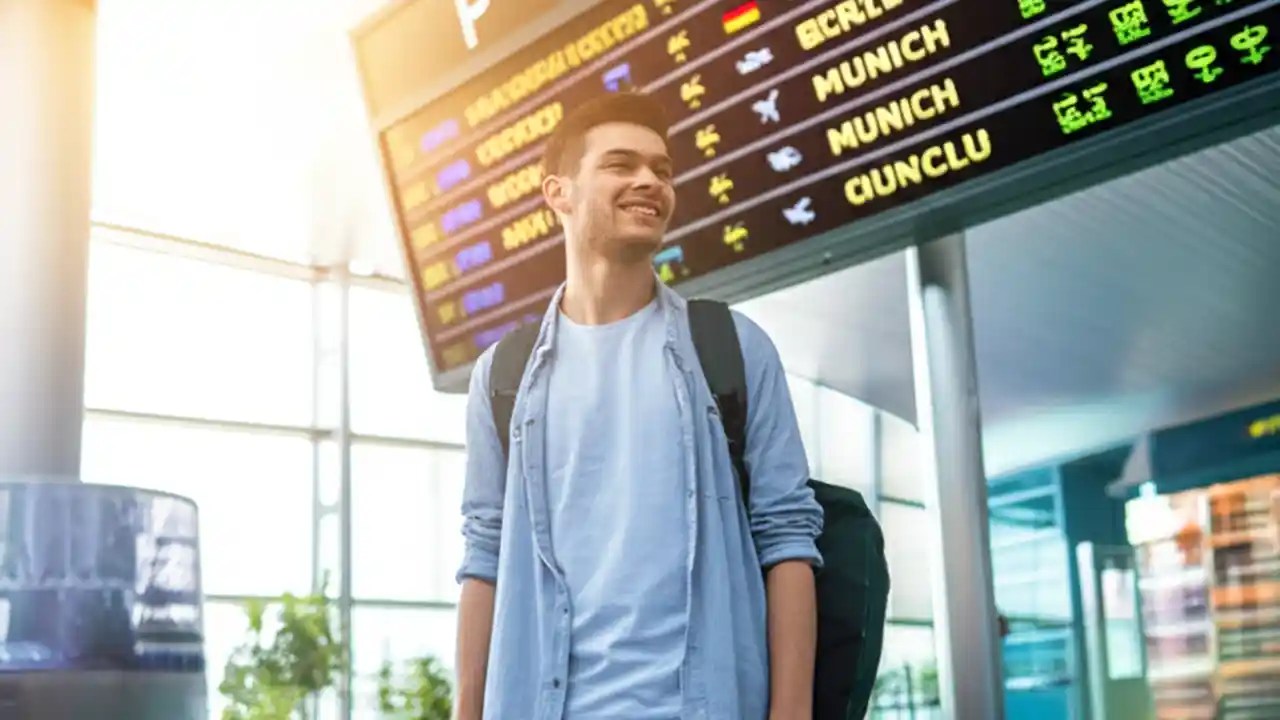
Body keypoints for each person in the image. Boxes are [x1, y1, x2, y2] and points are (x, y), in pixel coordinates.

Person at [454, 91, 824, 720]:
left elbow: (786, 538)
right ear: (558, 194)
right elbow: (483, 559)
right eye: (621, 165)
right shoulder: (503, 378)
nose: (649, 181)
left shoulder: (732, 350)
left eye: (662, 169)